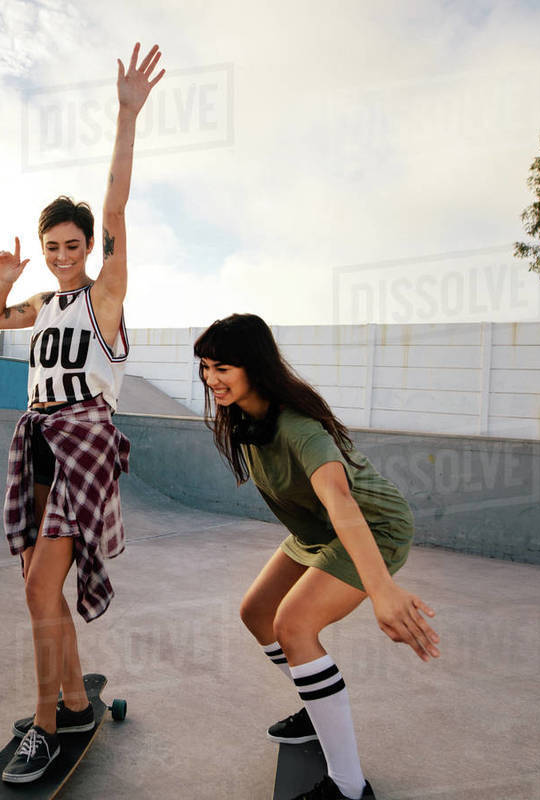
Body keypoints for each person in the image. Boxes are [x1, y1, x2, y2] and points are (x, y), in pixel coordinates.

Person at [0, 43, 164, 785]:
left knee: (34, 590)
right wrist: (3, 278)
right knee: (39, 586)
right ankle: (73, 703)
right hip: (37, 443)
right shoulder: (44, 302)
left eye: (71, 246)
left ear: (90, 249)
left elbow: (115, 204)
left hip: (82, 439)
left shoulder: (101, 298)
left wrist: (125, 115)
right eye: (51, 246)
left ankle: (48, 725)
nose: (60, 255)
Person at [193, 313, 441, 800]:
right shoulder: (243, 415)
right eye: (205, 366)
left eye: (222, 367)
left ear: (254, 366)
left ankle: (350, 789)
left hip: (371, 527)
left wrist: (382, 590)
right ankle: (315, 701)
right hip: (316, 531)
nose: (211, 379)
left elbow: (341, 500)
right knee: (257, 613)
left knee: (295, 625)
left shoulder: (299, 427)